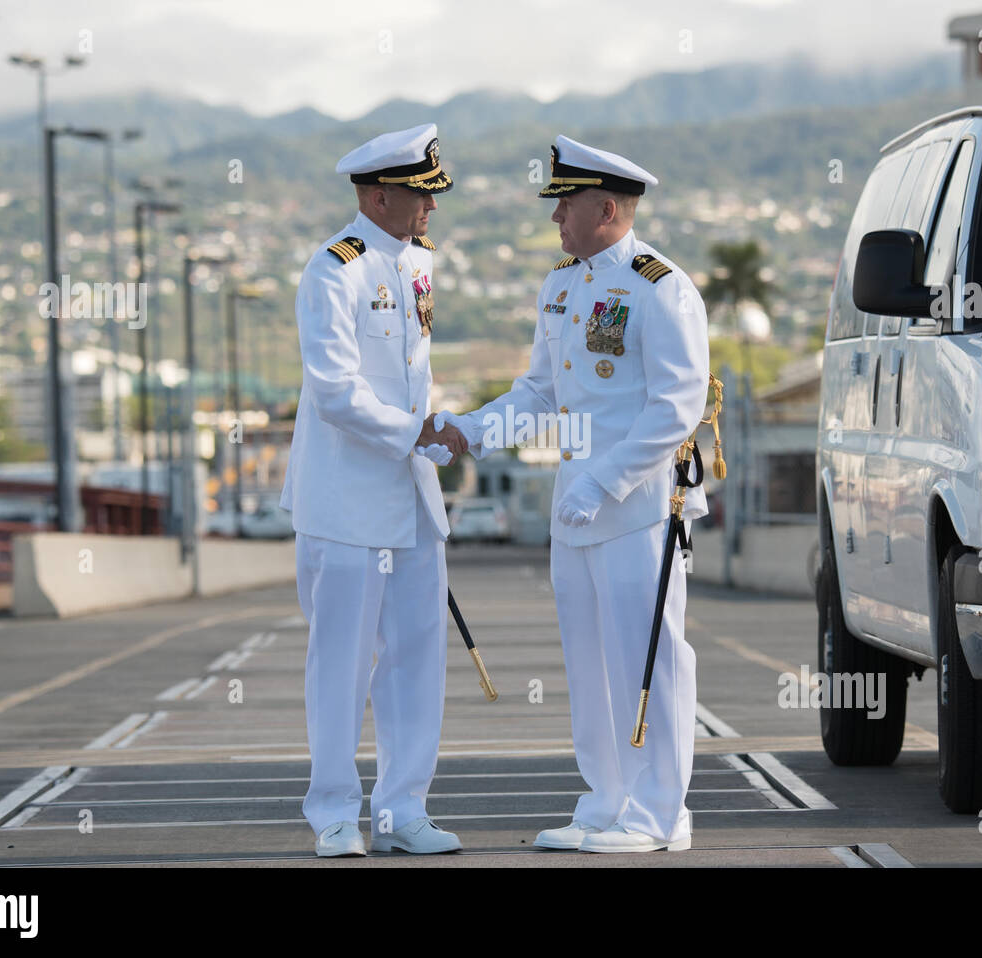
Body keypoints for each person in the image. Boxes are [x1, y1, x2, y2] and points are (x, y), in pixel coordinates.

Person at [438, 135, 710, 852]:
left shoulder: (661, 286)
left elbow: (676, 406)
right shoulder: (561, 286)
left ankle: (660, 815)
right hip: (575, 506)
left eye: (566, 206)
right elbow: (539, 391)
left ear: (609, 208)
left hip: (639, 507)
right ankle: (607, 798)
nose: (556, 220)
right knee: (589, 662)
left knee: (649, 657)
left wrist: (604, 478)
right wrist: (470, 430)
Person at [280, 122, 467, 856]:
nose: (432, 207)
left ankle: (402, 809)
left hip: (412, 496)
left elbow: (411, 374)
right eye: (421, 194)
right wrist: (414, 432)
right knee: (342, 662)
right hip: (348, 498)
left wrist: (428, 432)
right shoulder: (334, 268)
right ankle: (333, 812)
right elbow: (333, 391)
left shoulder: (419, 262)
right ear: (379, 194)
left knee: (418, 655)